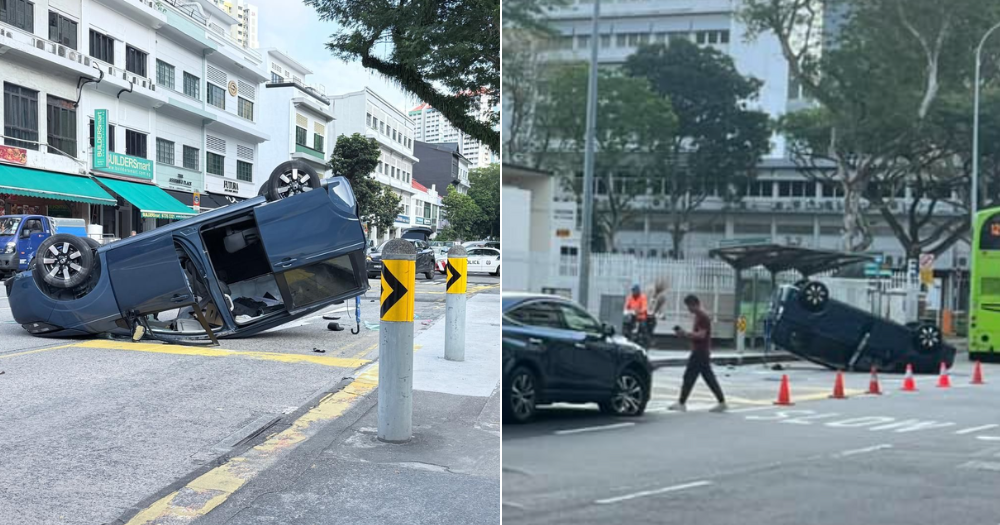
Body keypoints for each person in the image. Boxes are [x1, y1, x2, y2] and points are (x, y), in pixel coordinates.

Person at [670, 294, 727, 413]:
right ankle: (721, 402)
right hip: (701, 351)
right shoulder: (699, 316)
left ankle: (681, 403)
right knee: (708, 377)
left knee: (689, 376)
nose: (688, 309)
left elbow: (701, 335)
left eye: (688, 306)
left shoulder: (702, 316)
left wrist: (685, 334)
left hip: (700, 352)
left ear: (694, 304)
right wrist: (686, 334)